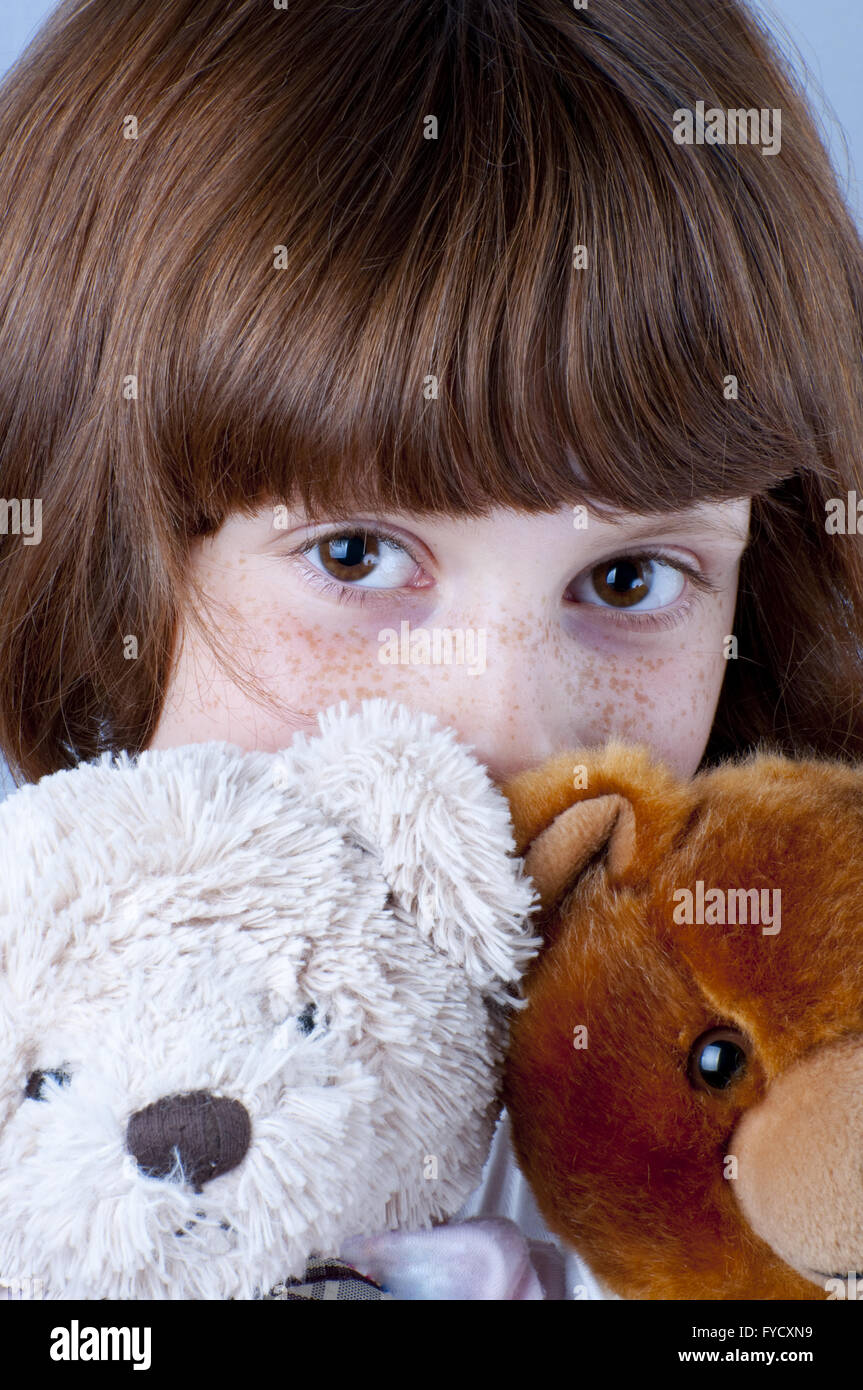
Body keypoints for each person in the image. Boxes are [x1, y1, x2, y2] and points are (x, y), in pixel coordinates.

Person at [0, 0, 861, 1299]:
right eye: (355, 555)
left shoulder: (778, 1114)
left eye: (629, 576)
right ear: (97, 562)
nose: (509, 724)